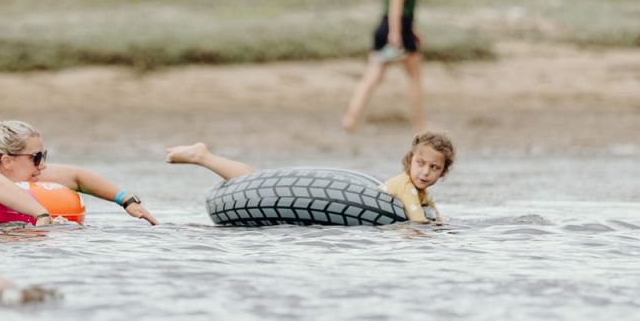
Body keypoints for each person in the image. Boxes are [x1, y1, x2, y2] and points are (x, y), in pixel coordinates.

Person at [166, 130, 456, 225]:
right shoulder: (406, 186)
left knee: (256, 181)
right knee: (257, 184)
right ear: (410, 161)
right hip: (339, 193)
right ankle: (202, 156)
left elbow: (431, 212)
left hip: (355, 194)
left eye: (434, 168)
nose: (425, 172)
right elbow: (417, 222)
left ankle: (204, 156)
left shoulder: (420, 191)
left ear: (443, 172)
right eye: (421, 164)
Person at [0, 112, 158, 226]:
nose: (42, 165)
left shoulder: (18, 173)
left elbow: (77, 177)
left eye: (43, 156)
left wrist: (127, 200)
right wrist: (42, 215)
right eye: (36, 158)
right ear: (7, 161)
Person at [343, 0, 431, 132]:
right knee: (414, 77)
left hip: (390, 25)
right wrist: (396, 33)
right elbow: (396, 3)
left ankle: (351, 118)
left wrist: (410, 29)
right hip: (397, 27)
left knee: (373, 76)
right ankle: (420, 123)